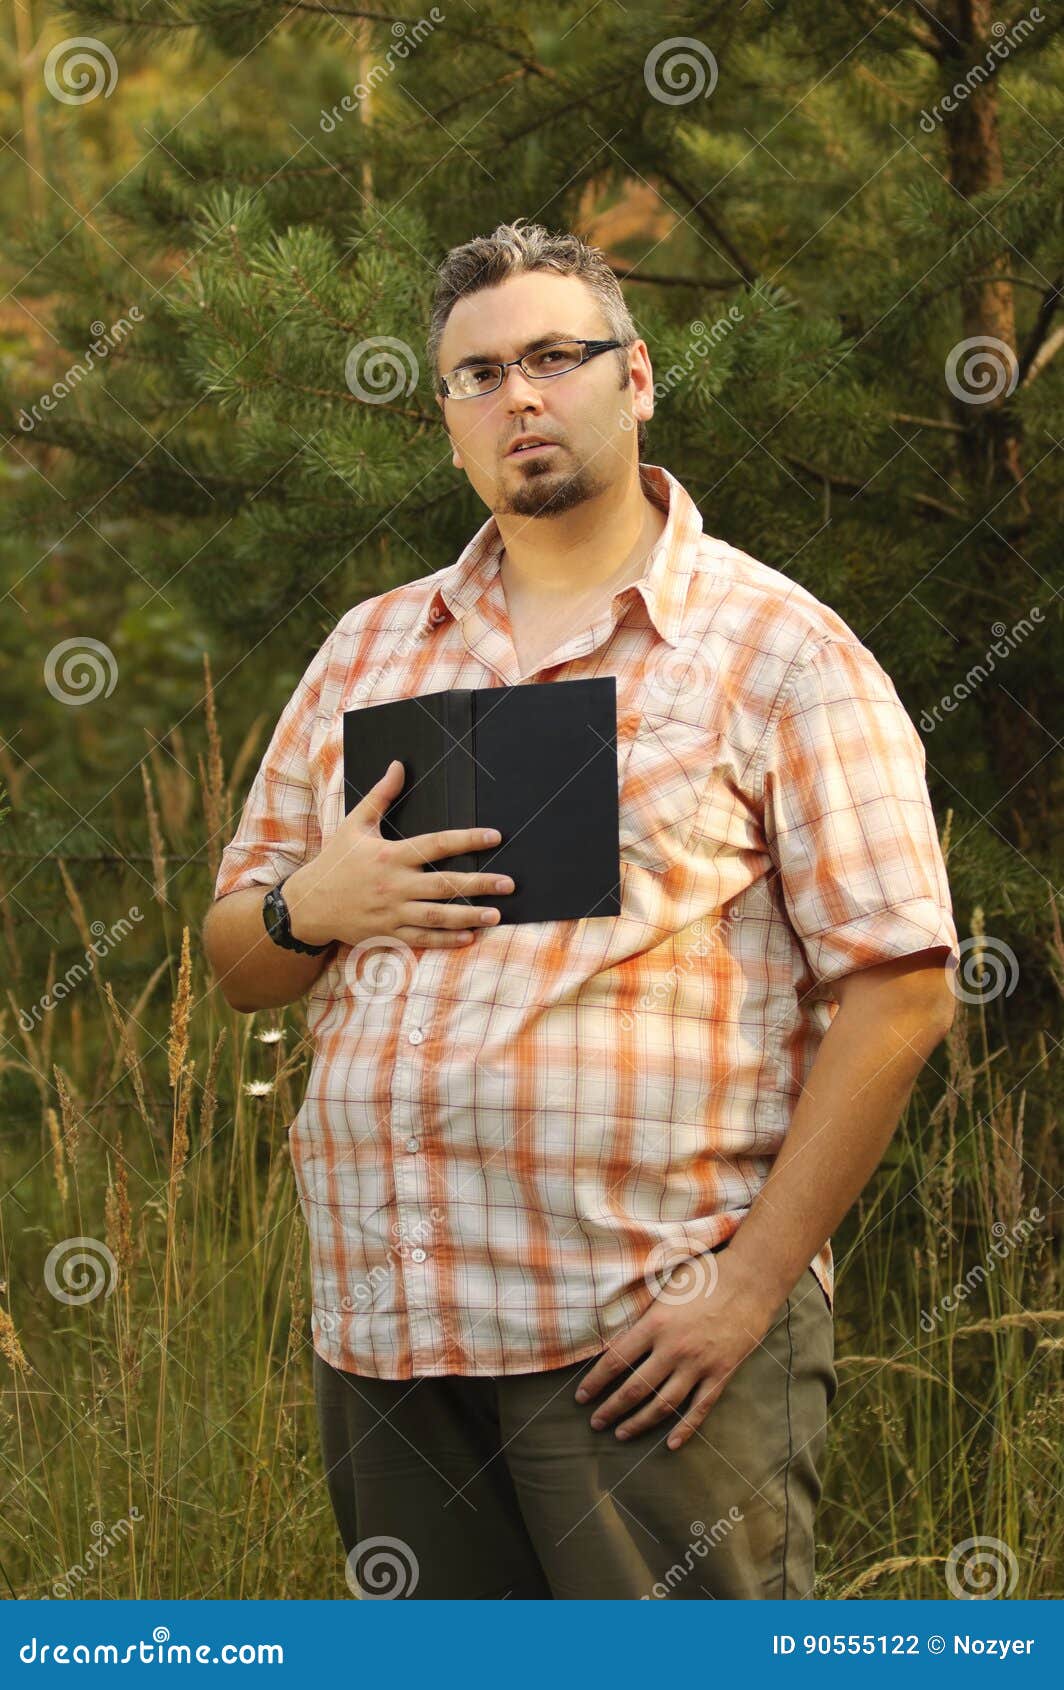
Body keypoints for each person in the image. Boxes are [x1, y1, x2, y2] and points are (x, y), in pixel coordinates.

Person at [203, 219, 959, 1600]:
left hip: (641, 1343)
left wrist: (743, 1289)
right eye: (478, 374)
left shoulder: (776, 650)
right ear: (447, 422)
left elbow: (900, 986)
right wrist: (313, 904)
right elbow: (238, 955)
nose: (521, 397)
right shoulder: (371, 647)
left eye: (557, 356)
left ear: (639, 377)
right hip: (393, 1335)